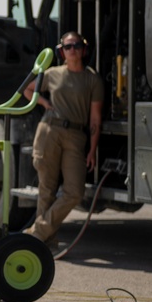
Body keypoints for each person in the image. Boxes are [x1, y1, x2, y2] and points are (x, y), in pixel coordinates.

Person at [22, 31, 103, 247]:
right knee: (46, 189)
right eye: (68, 47)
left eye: (76, 45)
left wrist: (92, 150)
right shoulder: (52, 73)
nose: (73, 50)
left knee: (75, 192)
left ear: (83, 49)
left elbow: (95, 118)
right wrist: (44, 103)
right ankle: (45, 241)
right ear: (62, 51)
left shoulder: (92, 79)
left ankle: (38, 231)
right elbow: (27, 90)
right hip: (49, 131)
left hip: (76, 136)